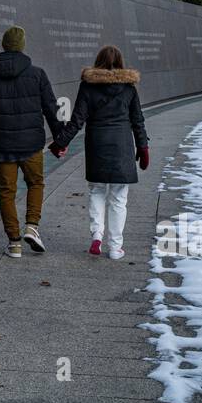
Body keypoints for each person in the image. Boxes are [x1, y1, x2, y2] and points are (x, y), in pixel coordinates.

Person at [49, 45, 149, 261]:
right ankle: (115, 247)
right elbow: (137, 120)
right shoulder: (129, 88)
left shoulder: (88, 87)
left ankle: (96, 235)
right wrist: (143, 147)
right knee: (119, 198)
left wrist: (61, 142)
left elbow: (77, 119)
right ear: (120, 63)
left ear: (98, 62)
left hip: (97, 144)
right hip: (121, 145)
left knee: (97, 191)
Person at [0, 26, 62, 259]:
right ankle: (32, 227)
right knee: (35, 184)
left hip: (2, 145)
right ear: (22, 46)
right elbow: (51, 109)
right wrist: (60, 139)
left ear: (4, 45)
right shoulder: (37, 74)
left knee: (7, 192)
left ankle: (14, 242)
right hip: (31, 144)